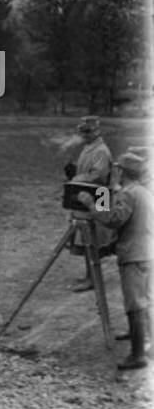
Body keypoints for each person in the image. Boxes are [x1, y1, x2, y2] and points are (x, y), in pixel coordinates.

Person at [82, 151, 153, 369]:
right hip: (146, 252)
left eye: (118, 169)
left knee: (135, 304)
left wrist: (90, 204)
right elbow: (132, 224)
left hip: (134, 256)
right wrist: (105, 191)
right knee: (146, 301)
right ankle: (142, 342)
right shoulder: (143, 192)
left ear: (123, 171)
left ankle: (138, 355)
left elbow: (112, 219)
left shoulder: (129, 193)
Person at [67, 116, 115, 292]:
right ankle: (90, 275)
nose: (84, 135)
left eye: (88, 132)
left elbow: (98, 176)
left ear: (97, 131)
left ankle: (92, 279)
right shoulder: (89, 148)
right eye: (83, 132)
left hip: (100, 196)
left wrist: (77, 177)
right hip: (90, 195)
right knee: (86, 238)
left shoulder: (101, 150)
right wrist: (74, 169)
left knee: (92, 239)